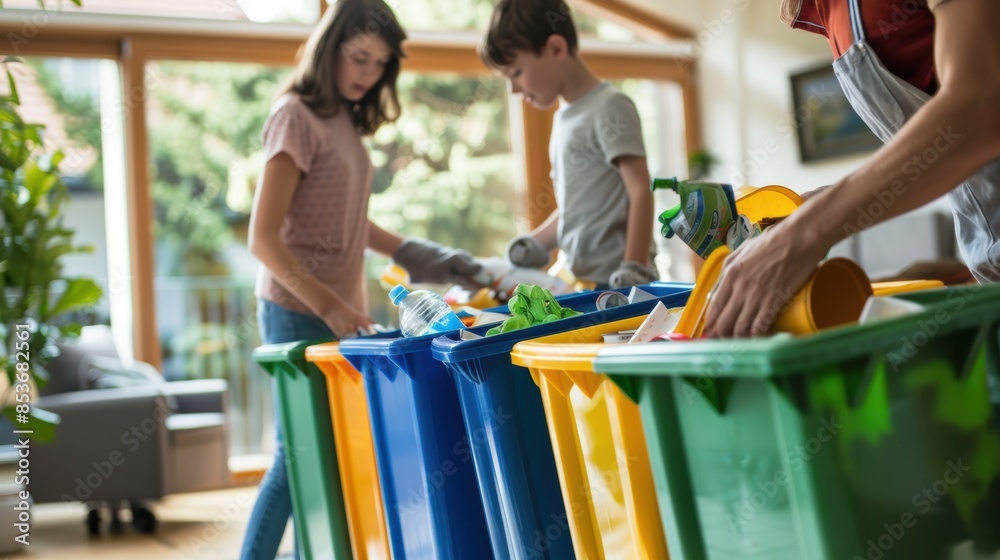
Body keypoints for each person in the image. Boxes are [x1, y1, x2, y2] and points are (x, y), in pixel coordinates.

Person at [242, 1, 481, 557]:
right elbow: (262, 237)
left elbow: (351, 220)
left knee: (324, 454)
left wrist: (428, 255)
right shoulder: (294, 115)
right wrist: (329, 308)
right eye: (358, 58)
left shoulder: (343, 120)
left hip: (333, 306)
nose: (367, 74)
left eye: (379, 64)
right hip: (295, 304)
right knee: (295, 455)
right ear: (329, 48)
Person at [706, 0, 1000, 338]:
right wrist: (821, 204)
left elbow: (979, 108)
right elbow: (946, 150)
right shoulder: (831, 15)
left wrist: (806, 232)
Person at [480, 0, 658, 290]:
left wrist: (634, 268)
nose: (512, 89)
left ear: (556, 49)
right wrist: (535, 243)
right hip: (585, 283)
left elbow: (640, 189)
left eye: (516, 73)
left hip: (622, 284)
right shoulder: (563, 118)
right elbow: (574, 208)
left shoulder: (610, 106)